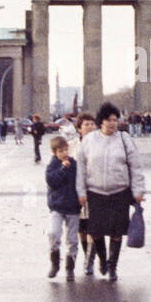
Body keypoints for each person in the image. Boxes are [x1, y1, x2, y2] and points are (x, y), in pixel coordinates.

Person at [76, 102, 144, 282]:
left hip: (119, 191)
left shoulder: (124, 139)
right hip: (95, 192)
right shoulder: (89, 140)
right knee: (96, 231)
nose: (113, 123)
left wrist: (138, 190)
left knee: (116, 232)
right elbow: (81, 168)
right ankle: (102, 260)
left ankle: (112, 266)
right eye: (109, 120)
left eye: (115, 120)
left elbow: (136, 166)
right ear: (101, 121)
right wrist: (81, 191)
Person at [45, 135, 81, 280]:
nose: (64, 153)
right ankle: (54, 262)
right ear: (55, 152)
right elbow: (52, 182)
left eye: (66, 150)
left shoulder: (75, 164)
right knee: (53, 233)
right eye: (61, 151)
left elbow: (81, 181)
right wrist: (62, 169)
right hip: (57, 206)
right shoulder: (52, 166)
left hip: (73, 206)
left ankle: (70, 268)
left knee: (72, 239)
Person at [69, 113, 98, 275]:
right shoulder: (71, 146)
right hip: (77, 192)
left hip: (96, 191)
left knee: (94, 227)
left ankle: (89, 260)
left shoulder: (102, 144)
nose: (90, 127)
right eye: (86, 124)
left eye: (93, 124)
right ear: (79, 128)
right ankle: (88, 254)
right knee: (82, 227)